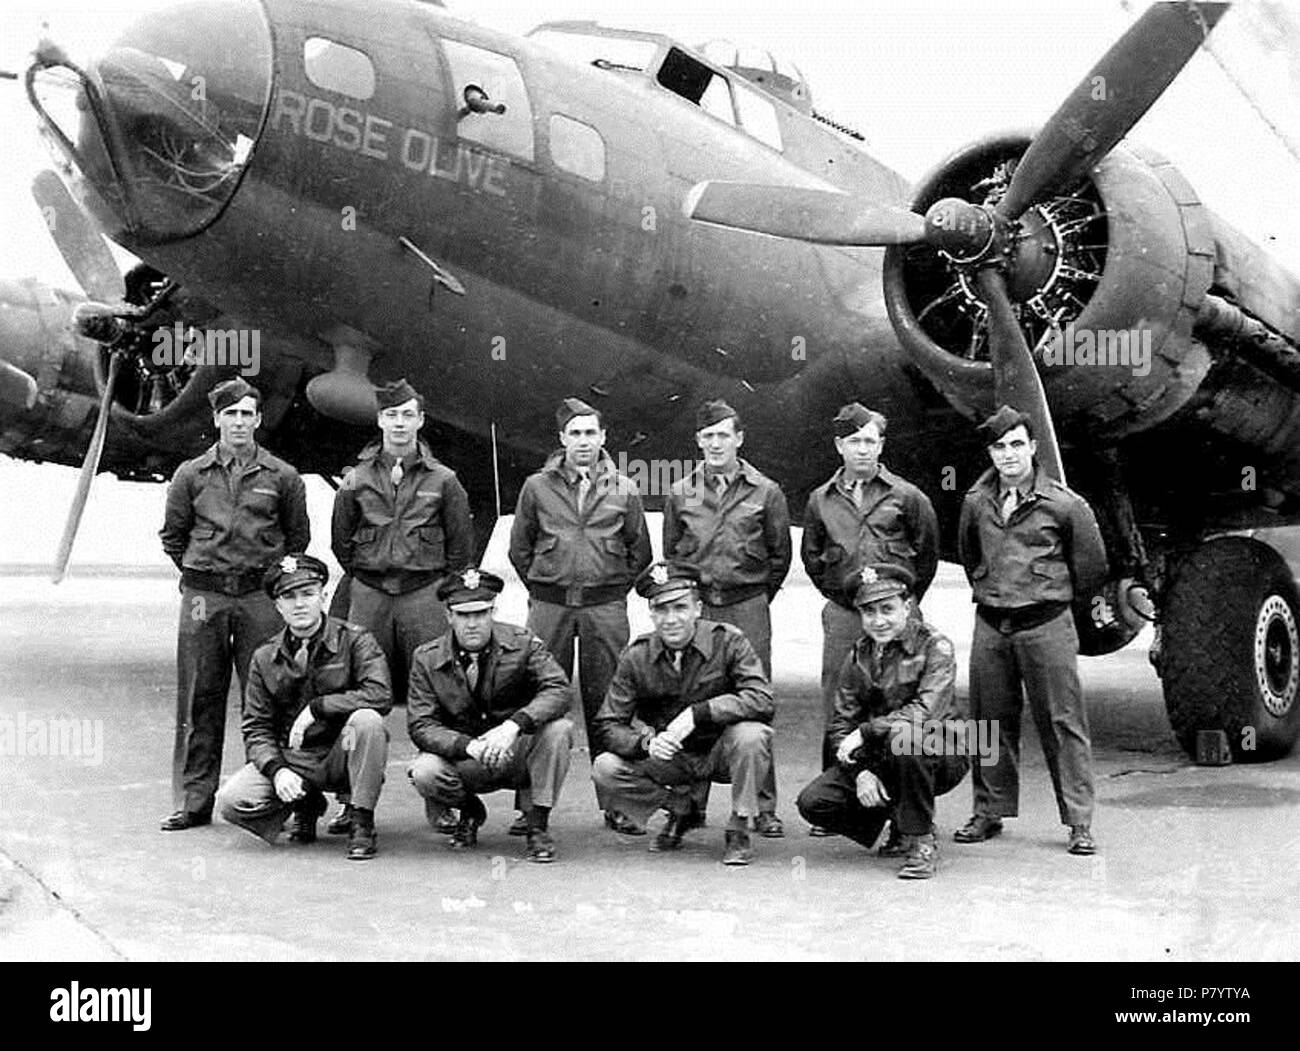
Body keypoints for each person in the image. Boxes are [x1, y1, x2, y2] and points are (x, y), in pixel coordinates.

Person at [954, 405, 1109, 856]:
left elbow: (1091, 566)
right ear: (990, 452)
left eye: (1017, 444)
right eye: (1000, 447)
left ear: (1034, 447)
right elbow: (969, 554)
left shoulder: (1063, 504)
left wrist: (1049, 599)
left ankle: (1079, 820)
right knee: (988, 723)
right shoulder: (975, 502)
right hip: (991, 625)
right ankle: (989, 810)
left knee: (1063, 721)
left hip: (1046, 625)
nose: (1008, 455)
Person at [158, 377, 310, 831]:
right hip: (204, 596)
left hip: (259, 595)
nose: (239, 422)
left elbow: (297, 539)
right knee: (198, 696)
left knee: (270, 695)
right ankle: (193, 799)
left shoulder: (282, 476)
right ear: (217, 419)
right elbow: (173, 535)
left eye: (247, 413)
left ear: (259, 420)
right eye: (231, 413)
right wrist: (205, 574)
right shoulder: (191, 474)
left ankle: (274, 797)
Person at [329, 378, 472, 835]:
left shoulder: (443, 480)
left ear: (420, 420)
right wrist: (372, 576)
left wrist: (430, 586)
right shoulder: (356, 478)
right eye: (392, 415)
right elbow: (341, 542)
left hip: (423, 595)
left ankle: (443, 799)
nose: (400, 423)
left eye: (408, 414)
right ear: (379, 420)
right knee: (356, 694)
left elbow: (460, 546)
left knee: (441, 696)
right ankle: (351, 802)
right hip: (370, 594)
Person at [509, 397, 652, 836]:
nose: (584, 441)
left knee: (611, 703)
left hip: (604, 607)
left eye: (591, 433)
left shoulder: (624, 489)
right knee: (539, 698)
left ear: (604, 438)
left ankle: (618, 803)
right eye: (575, 433)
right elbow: (520, 547)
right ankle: (531, 806)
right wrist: (545, 586)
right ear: (562, 439)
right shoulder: (537, 487)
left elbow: (639, 552)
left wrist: (607, 589)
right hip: (550, 605)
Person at [800, 403, 939, 834]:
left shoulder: (907, 497)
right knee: (839, 701)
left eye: (871, 441)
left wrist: (901, 607)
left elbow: (927, 553)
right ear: (839, 445)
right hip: (846, 614)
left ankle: (904, 813)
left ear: (881, 445)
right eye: (855, 441)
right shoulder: (820, 501)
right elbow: (813, 557)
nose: (864, 449)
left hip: (897, 614)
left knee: (900, 701)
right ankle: (840, 793)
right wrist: (844, 599)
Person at [663, 398, 791, 837]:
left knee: (755, 699)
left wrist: (753, 596)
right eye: (708, 436)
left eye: (724, 435)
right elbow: (673, 554)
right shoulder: (682, 492)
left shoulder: (766, 491)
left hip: (747, 603)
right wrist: (693, 604)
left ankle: (763, 805)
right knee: (691, 695)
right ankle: (689, 803)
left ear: (739, 439)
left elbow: (779, 556)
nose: (716, 443)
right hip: (699, 606)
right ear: (698, 442)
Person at [591, 561, 775, 866]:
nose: (671, 619)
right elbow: (608, 723)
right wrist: (645, 744)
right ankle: (680, 808)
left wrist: (700, 713)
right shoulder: (637, 656)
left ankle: (739, 825)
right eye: (661, 610)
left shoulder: (728, 641)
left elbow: (762, 699)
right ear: (651, 613)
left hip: (722, 752)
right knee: (605, 768)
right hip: (673, 756)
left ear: (698, 609)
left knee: (752, 735)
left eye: (680, 608)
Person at [796, 564, 968, 879]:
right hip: (883, 754)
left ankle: (920, 839)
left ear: (908, 606)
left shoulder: (935, 646)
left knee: (905, 737)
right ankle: (901, 821)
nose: (879, 620)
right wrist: (860, 772)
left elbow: (925, 711)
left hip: (940, 750)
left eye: (887, 609)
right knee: (814, 803)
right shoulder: (858, 654)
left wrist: (866, 732)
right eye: (869, 612)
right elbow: (839, 725)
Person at [215, 555, 392, 861]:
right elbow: (255, 726)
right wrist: (278, 770)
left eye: (308, 594)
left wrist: (319, 707)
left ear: (323, 595)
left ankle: (361, 819)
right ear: (277, 606)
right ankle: (305, 802)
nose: (299, 604)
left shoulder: (355, 640)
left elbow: (380, 694)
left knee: (367, 721)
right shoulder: (264, 657)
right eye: (289, 597)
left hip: (343, 751)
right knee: (232, 801)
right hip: (295, 757)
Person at [407, 569, 574, 863]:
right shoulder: (427, 657)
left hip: (515, 750)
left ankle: (537, 823)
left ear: (493, 611)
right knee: (424, 771)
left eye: (481, 614)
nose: (473, 624)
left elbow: (558, 689)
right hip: (465, 757)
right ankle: (469, 810)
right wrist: (466, 746)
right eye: (463, 615)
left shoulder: (522, 642)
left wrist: (514, 726)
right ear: (448, 616)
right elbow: (421, 724)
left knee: (559, 730)